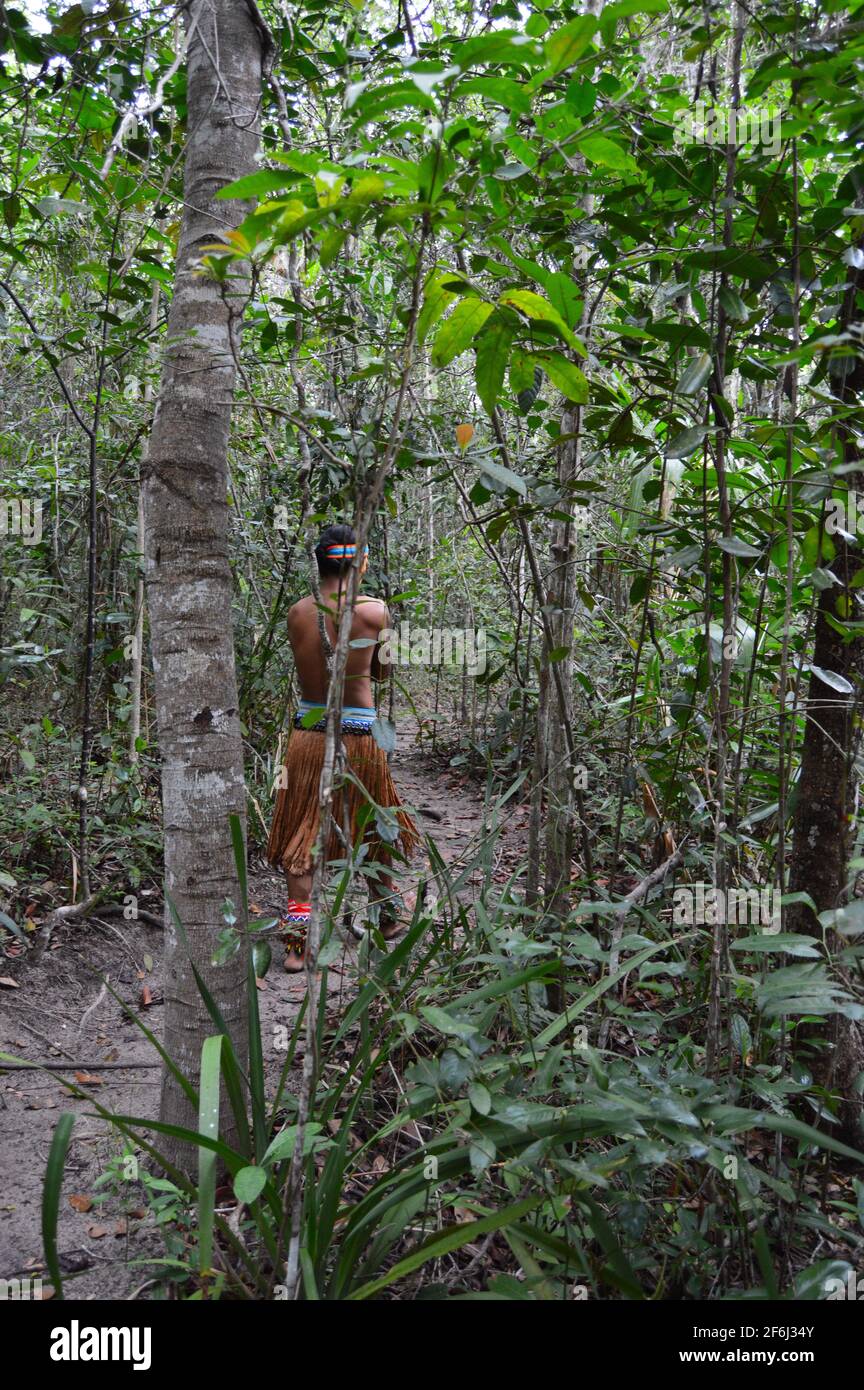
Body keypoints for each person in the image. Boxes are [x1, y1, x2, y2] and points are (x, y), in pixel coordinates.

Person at [266, 524, 419, 971]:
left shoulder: (297, 612)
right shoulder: (375, 611)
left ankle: (297, 946)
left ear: (320, 563)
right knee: (374, 825)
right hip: (359, 734)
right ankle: (387, 917)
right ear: (361, 562)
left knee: (302, 835)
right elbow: (382, 673)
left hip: (308, 732)